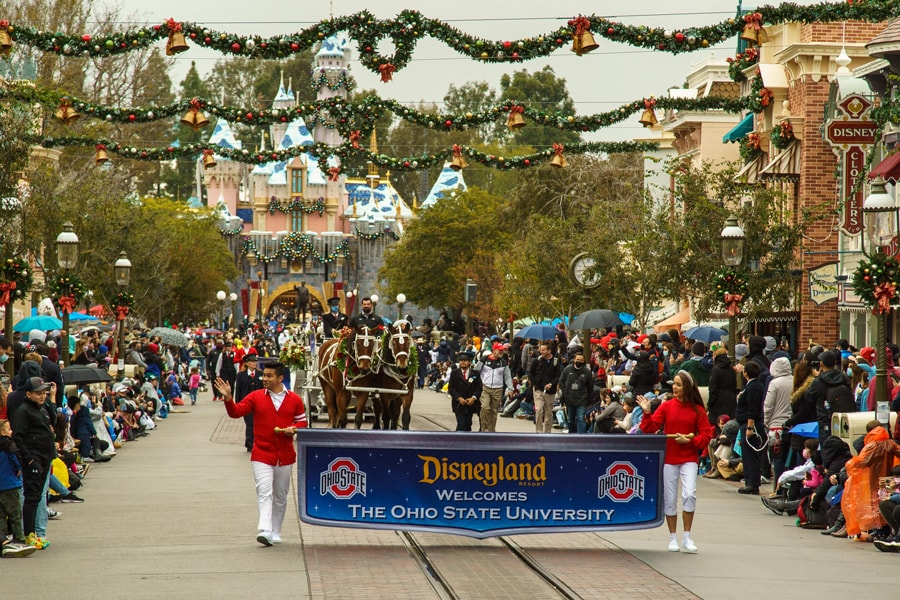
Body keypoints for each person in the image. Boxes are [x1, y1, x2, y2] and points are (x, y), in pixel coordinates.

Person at [215, 361, 308, 547]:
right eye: (263, 375)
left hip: (285, 456)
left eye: (269, 376)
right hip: (261, 454)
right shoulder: (255, 397)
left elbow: (302, 422)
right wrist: (228, 398)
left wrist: (293, 428)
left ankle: (276, 531)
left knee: (280, 496)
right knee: (264, 491)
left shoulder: (295, 399)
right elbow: (236, 412)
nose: (264, 378)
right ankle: (265, 530)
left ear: (280, 378)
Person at [637, 370, 714, 553]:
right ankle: (673, 538)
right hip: (669, 458)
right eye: (674, 384)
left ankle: (687, 537)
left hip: (689, 458)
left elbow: (706, 435)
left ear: (687, 387)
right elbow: (649, 428)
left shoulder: (698, 410)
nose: (675, 387)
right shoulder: (666, 406)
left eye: (679, 384)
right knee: (670, 499)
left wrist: (690, 441)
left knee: (689, 494)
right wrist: (647, 412)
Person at [10, 377, 57, 550]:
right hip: (34, 459)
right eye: (38, 393)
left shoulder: (41, 409)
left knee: (37, 497)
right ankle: (29, 534)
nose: (42, 396)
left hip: (44, 457)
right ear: (28, 394)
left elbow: (53, 421)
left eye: (44, 393)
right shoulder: (23, 411)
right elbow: (18, 438)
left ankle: (34, 533)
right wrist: (29, 460)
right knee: (31, 497)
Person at [0, 419, 37, 557]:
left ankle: (3, 539)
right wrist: (19, 469)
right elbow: (16, 461)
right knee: (15, 514)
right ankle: (19, 538)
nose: (12, 432)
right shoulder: (9, 446)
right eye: (9, 429)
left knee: (1, 516)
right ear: (2, 432)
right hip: (10, 484)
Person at [736, 361, 767, 495]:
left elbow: (752, 409)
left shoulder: (753, 388)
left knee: (750, 455)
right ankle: (750, 481)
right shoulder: (751, 385)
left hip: (750, 425)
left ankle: (752, 483)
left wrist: (749, 427)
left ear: (746, 373)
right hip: (746, 423)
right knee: (747, 454)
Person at [764, 356, 794, 488]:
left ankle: (778, 487)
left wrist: (766, 421)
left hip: (776, 426)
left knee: (777, 460)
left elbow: (768, 405)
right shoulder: (794, 381)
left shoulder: (774, 383)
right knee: (790, 459)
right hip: (792, 425)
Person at [475, 343, 513, 433]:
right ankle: (484, 429)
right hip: (485, 388)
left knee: (493, 411)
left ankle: (491, 431)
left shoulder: (503, 362)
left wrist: (510, 388)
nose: (501, 352)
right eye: (499, 350)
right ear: (494, 350)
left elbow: (507, 376)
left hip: (498, 389)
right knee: (485, 407)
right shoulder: (484, 359)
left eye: (502, 350)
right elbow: (476, 371)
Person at [528, 342, 561, 434]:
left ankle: (547, 432)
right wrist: (534, 384)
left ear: (549, 351)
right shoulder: (537, 360)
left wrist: (551, 384)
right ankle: (538, 431)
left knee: (548, 412)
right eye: (540, 350)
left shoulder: (555, 362)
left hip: (550, 391)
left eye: (543, 350)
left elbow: (558, 376)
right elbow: (531, 373)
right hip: (538, 389)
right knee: (538, 410)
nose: (541, 352)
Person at [234, 354, 264, 452]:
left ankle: (258, 443)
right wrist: (237, 405)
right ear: (246, 363)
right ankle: (250, 444)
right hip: (246, 404)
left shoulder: (260, 374)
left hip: (259, 403)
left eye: (255, 361)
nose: (254, 363)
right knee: (250, 424)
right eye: (252, 361)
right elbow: (238, 390)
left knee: (258, 424)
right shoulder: (241, 375)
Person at [559, 352, 594, 434]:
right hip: (569, 399)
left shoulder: (587, 372)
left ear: (584, 361)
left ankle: (581, 437)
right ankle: (571, 436)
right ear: (574, 360)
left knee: (581, 418)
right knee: (570, 420)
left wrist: (590, 400)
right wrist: (565, 393)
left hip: (582, 400)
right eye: (578, 359)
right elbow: (561, 381)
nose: (579, 361)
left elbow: (590, 387)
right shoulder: (567, 369)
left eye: (581, 360)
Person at [447, 351, 482, 431]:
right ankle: (458, 438)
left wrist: (473, 398)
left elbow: (479, 388)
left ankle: (466, 438)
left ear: (469, 362)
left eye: (465, 360)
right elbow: (451, 388)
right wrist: (458, 398)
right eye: (461, 360)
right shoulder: (454, 373)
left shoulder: (475, 373)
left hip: (471, 404)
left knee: (468, 424)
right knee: (461, 423)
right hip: (458, 404)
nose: (462, 362)